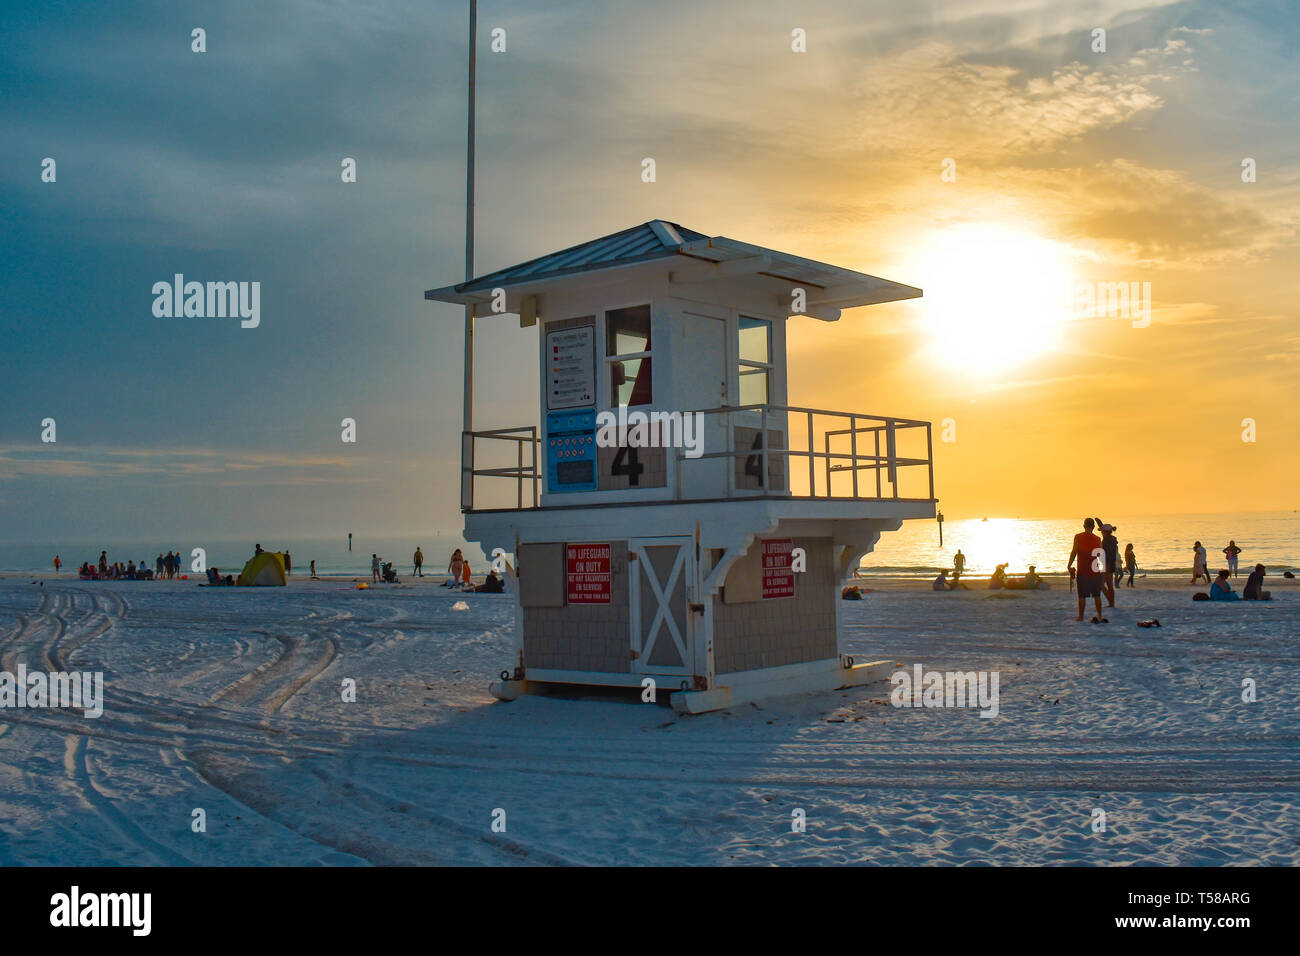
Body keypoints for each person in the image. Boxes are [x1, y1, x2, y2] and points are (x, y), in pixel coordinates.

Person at [1068, 517, 1106, 622]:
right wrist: (1103, 572)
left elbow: (1074, 552)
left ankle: (1081, 616)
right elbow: (1101, 556)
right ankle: (1099, 616)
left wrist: (1069, 565)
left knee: (1082, 596)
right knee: (1097, 595)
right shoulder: (1098, 539)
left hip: (1082, 571)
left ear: (1084, 526)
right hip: (1095, 571)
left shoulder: (1078, 537)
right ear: (1093, 527)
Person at [1094, 519, 1119, 607]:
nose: (1101, 533)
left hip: (1107, 565)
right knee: (1109, 585)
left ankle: (1110, 600)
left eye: (1102, 531)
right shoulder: (1113, 540)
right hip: (1111, 564)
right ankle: (1111, 603)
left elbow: (1103, 553)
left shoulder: (1106, 541)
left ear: (1105, 532)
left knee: (1100, 584)